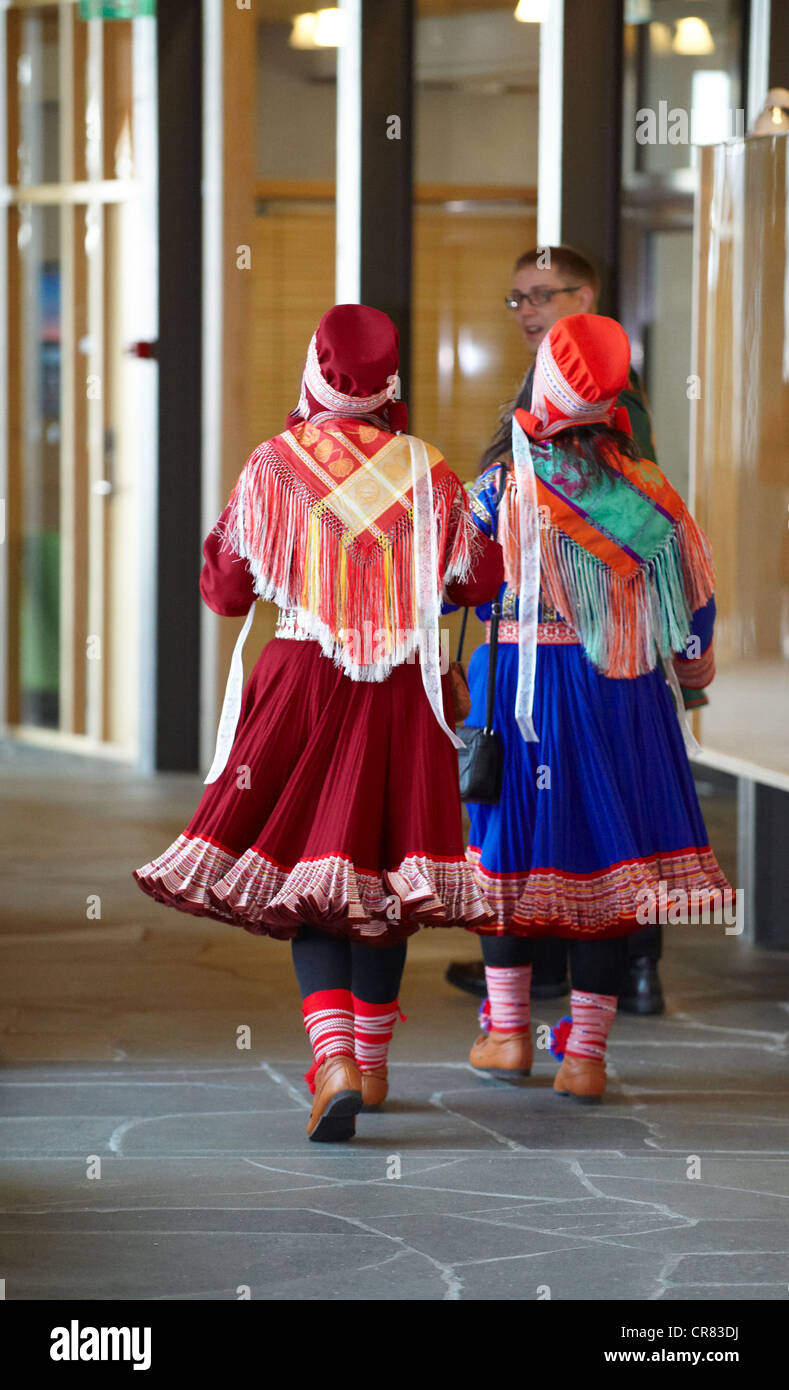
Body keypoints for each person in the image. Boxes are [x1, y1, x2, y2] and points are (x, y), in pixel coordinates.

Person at [133, 304, 504, 1141]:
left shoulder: (274, 466)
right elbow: (478, 579)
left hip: (302, 683)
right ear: (390, 381)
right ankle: (369, 1069)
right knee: (381, 872)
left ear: (314, 370)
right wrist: (400, 589)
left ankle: (332, 1056)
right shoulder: (428, 470)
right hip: (400, 692)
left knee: (313, 874)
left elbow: (227, 591)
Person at [457, 312, 730, 1101]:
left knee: (507, 856)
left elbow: (460, 584)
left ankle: (507, 1035)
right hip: (622, 694)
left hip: (522, 694)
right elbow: (691, 615)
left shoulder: (503, 483)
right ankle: (584, 1056)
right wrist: (690, 666)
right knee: (612, 870)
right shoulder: (650, 491)